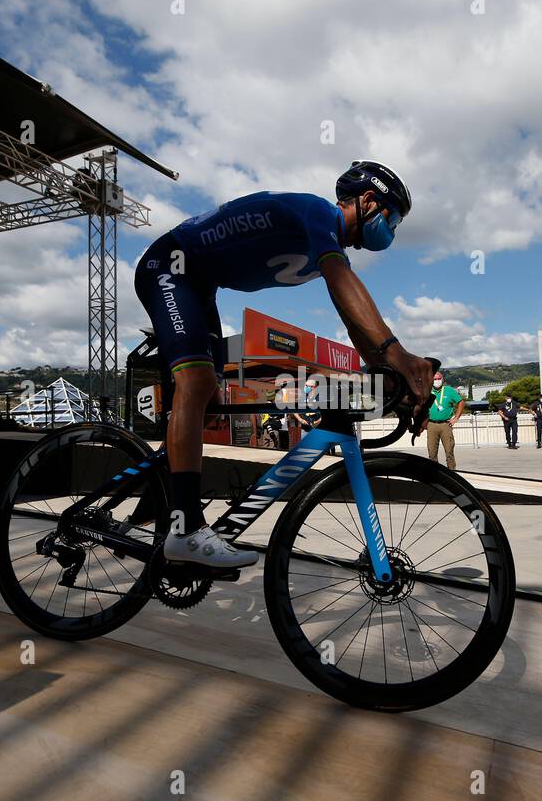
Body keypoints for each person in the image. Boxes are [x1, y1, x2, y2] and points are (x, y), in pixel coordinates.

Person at [134, 160, 430, 568]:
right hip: (168, 267)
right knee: (197, 384)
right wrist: (399, 354)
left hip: (199, 283)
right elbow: (344, 284)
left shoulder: (329, 244)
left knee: (211, 395)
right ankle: (184, 530)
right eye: (393, 218)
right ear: (367, 200)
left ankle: (158, 501)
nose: (392, 231)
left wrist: (395, 382)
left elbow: (354, 321)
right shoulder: (318, 214)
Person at [426, 370, 464, 469]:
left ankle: (452, 472)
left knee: (449, 450)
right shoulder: (427, 391)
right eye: (435, 379)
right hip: (431, 424)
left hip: (446, 424)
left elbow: (461, 402)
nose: (437, 381)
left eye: (439, 379)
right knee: (431, 451)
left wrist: (456, 417)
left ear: (442, 380)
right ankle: (435, 474)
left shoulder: (449, 390)